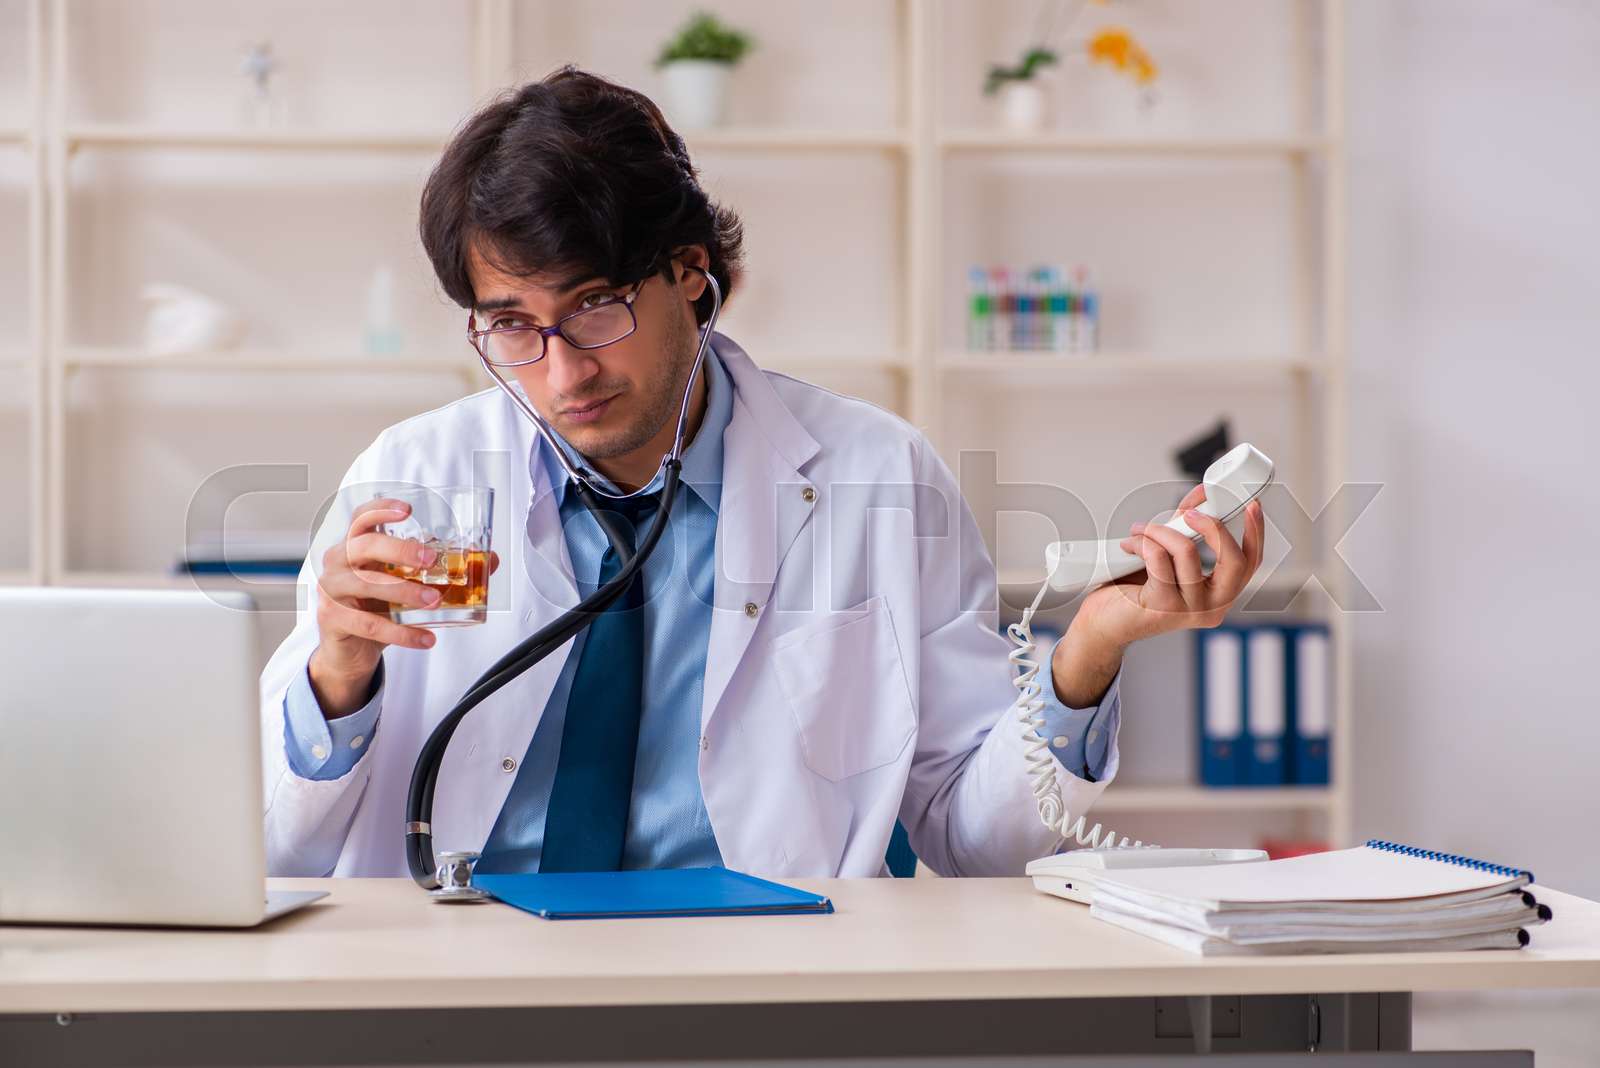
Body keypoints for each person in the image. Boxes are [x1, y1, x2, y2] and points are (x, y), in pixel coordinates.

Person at [259, 66, 1264, 879]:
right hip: (462, 986)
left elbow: (974, 840)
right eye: (513, 327)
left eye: (597, 304)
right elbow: (276, 844)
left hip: (764, 989)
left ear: (690, 275)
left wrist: (1085, 654)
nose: (562, 373)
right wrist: (336, 678)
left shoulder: (879, 476)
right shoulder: (410, 474)